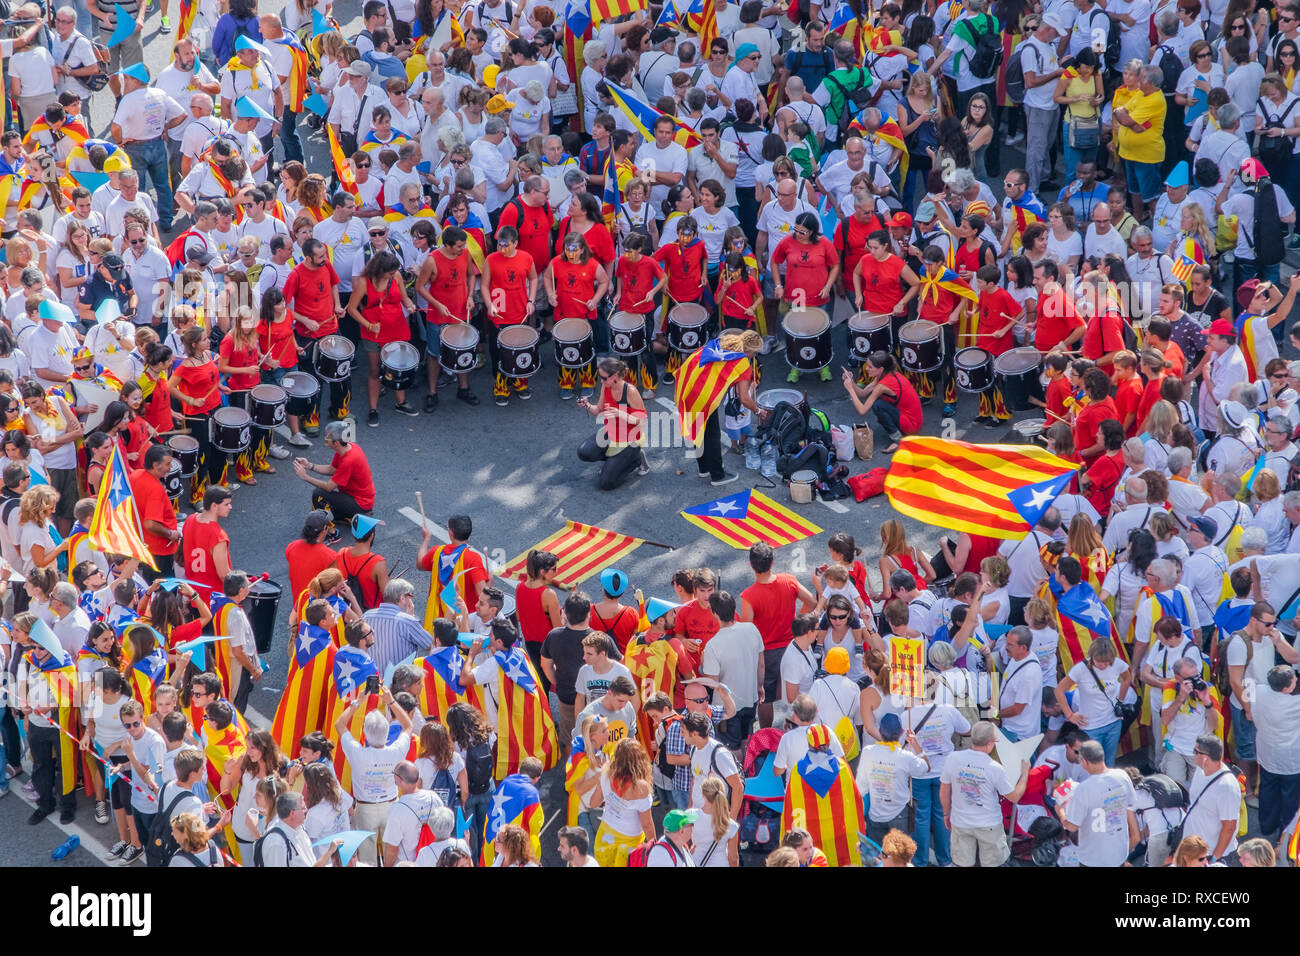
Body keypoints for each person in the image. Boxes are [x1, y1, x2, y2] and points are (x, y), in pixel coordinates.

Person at [332, 687, 414, 865]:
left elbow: (339, 724)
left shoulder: (357, 752)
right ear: (386, 733)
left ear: (366, 734)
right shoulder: (396, 751)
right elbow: (408, 725)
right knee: (392, 855)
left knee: (367, 861)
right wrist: (391, 701)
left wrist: (358, 701)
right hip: (391, 806)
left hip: (365, 809)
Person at [940, 721, 1031, 867]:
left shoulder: (953, 758)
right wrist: (1025, 774)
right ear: (990, 744)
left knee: (962, 864)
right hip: (989, 824)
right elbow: (1014, 797)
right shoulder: (995, 768)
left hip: (961, 821)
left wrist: (946, 813)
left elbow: (944, 789)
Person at [1060, 740, 1140, 867]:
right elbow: (1130, 805)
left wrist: (1061, 812)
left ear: (1085, 761)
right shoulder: (1122, 775)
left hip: (1093, 859)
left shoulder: (1084, 789)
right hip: (1118, 854)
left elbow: (1072, 827)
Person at [293, 421, 376, 526]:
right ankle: (349, 517)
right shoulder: (347, 448)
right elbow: (331, 469)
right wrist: (309, 465)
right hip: (357, 497)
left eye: (328, 436)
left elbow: (329, 487)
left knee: (319, 494)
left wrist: (305, 477)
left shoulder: (348, 460)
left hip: (360, 503)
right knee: (328, 505)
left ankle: (332, 532)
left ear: (336, 443)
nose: (325, 438)